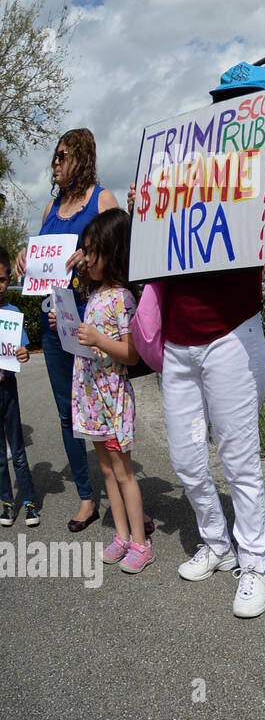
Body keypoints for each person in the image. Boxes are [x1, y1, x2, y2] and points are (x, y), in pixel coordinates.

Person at [131, 61, 265, 615]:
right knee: (186, 459)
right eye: (226, 99)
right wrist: (145, 211)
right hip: (178, 341)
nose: (235, 109)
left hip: (231, 333)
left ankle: (256, 568)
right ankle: (216, 544)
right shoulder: (179, 177)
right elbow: (156, 251)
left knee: (239, 458)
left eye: (247, 100)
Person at [15, 129, 131, 532]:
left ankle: (129, 502)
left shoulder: (102, 199)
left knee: (108, 412)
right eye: (55, 156)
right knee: (70, 413)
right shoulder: (51, 207)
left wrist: (89, 255)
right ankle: (88, 498)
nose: (56, 163)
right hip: (53, 323)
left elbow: (118, 251)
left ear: (81, 156)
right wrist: (23, 256)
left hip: (94, 323)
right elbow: (41, 257)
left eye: (63, 155)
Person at [68, 210, 149, 572]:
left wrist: (99, 339)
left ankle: (141, 542)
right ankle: (121, 535)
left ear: (112, 251)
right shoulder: (95, 293)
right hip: (91, 397)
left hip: (112, 396)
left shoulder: (123, 299)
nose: (86, 258)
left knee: (123, 470)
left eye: (92, 251)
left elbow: (130, 354)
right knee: (106, 468)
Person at [0, 247, 37, 528]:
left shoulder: (13, 313)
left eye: (2, 279)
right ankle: (7, 502)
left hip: (8, 388)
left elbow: (21, 348)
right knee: (0, 454)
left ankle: (29, 503)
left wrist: (23, 353)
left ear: (9, 277)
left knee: (19, 452)